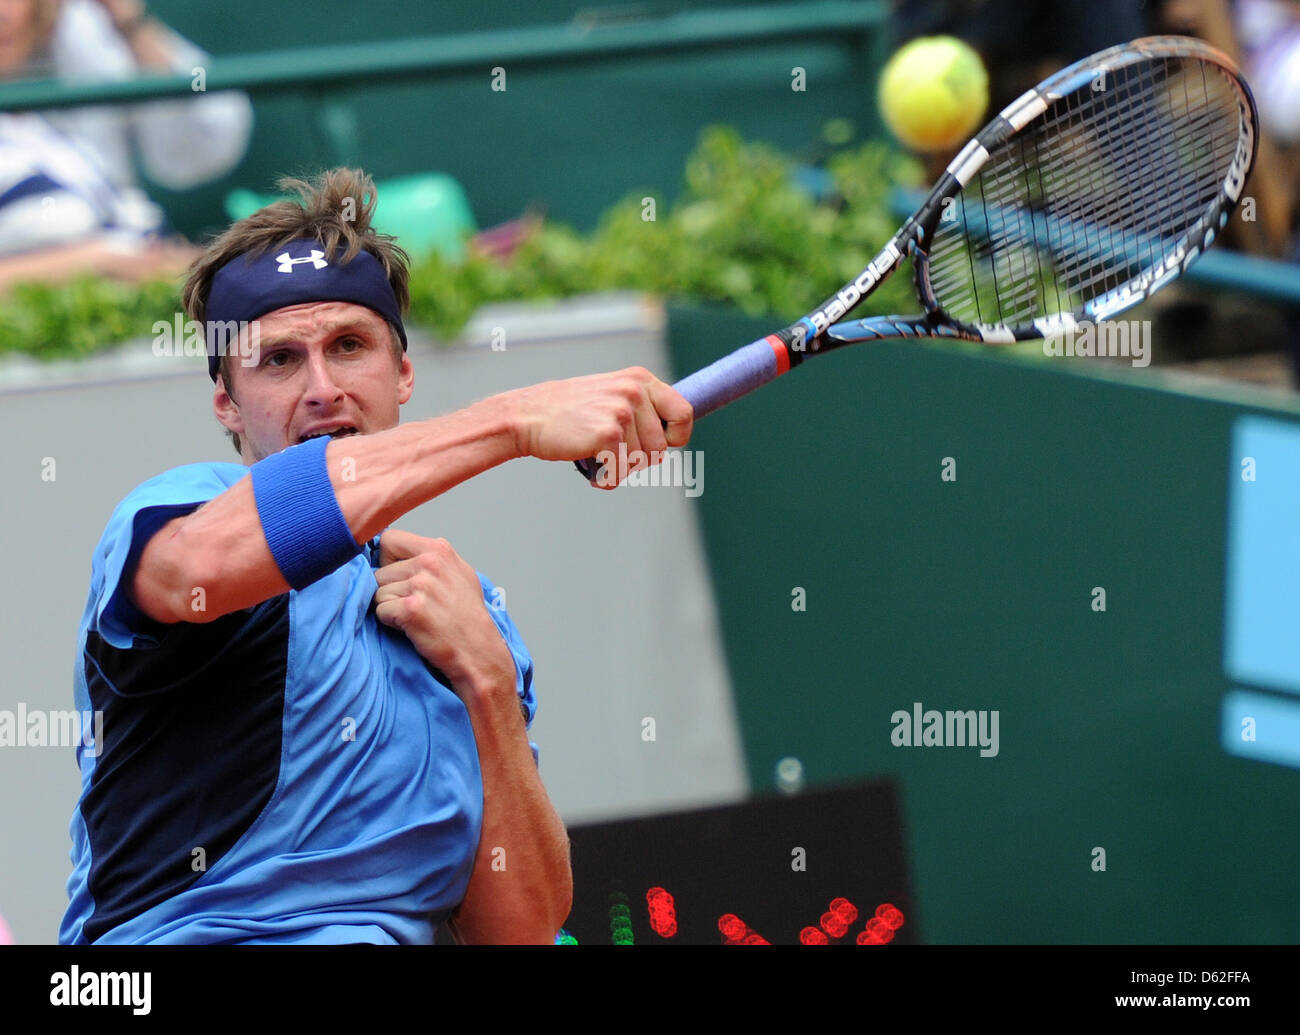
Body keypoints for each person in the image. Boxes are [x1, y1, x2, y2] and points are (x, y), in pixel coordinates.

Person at [59, 167, 693, 945]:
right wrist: (512, 420)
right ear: (226, 401)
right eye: (279, 360)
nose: (322, 387)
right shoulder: (184, 512)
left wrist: (488, 682)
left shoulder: (466, 612)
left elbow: (521, 931)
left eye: (350, 346)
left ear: (403, 373)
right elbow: (205, 564)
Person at [0, 0, 253, 286]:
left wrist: (131, 25)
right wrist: (99, 262)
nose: (3, 14)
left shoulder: (82, 30)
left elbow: (204, 144)